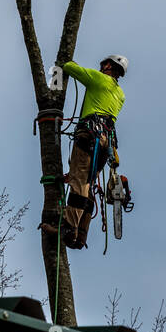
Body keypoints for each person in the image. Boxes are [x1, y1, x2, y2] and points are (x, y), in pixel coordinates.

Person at [58, 54, 128, 249]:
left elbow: (70, 67)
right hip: (105, 144)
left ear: (109, 67)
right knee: (87, 185)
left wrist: (67, 61)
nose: (102, 66)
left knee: (79, 182)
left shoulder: (99, 79)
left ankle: (68, 228)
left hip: (89, 135)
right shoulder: (120, 95)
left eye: (105, 64)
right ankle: (81, 235)